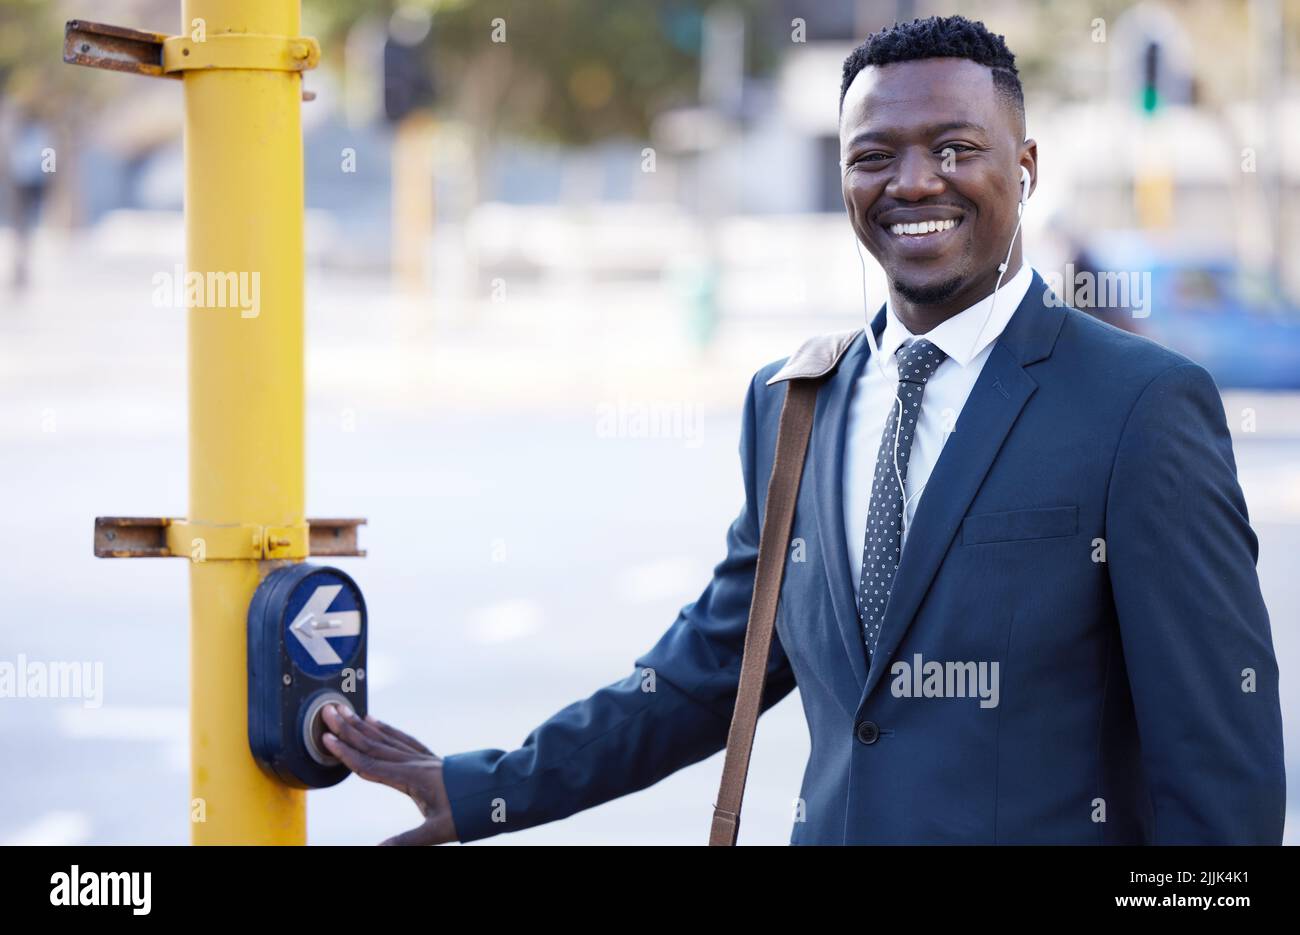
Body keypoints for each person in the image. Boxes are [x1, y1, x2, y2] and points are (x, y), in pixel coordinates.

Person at [322, 15, 1285, 845]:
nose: (915, 181)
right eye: (875, 155)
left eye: (956, 147)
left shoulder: (1141, 406)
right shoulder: (794, 403)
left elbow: (1221, 774)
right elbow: (704, 674)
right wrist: (487, 785)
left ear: (1023, 168)